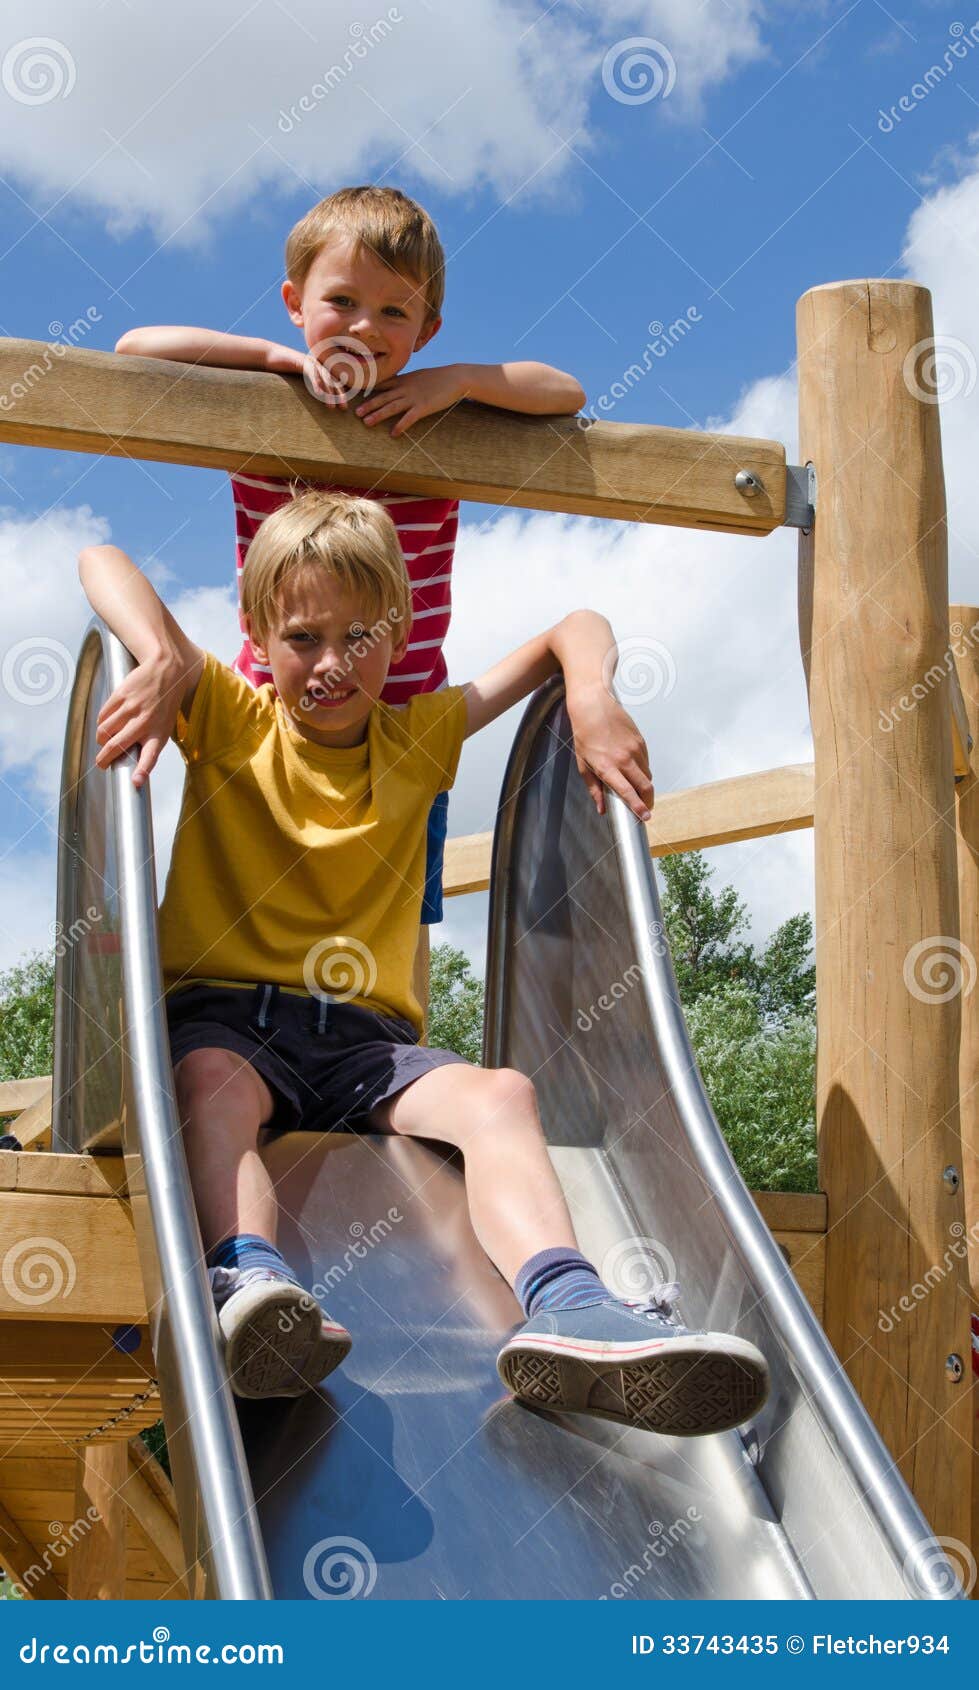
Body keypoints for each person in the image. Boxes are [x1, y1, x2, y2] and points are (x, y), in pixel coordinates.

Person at [78, 488, 769, 1436]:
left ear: (397, 638)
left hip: (370, 1046)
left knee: (499, 1097)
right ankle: (248, 1278)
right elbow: (100, 559)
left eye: (360, 638)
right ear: (255, 633)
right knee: (209, 1081)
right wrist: (163, 658)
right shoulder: (233, 720)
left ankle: (569, 1305)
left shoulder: (421, 741)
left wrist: (591, 694)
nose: (331, 664)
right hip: (234, 1019)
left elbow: (576, 624)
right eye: (303, 638)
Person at [114, 181, 587, 944]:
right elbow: (135, 350)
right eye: (340, 302)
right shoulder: (269, 399)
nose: (365, 327)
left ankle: (397, 1036)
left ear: (426, 330)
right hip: (277, 709)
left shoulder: (434, 414)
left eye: (394, 311)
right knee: (261, 886)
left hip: (403, 723)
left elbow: (565, 391)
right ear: (295, 301)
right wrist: (271, 358)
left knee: (400, 917)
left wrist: (460, 381)